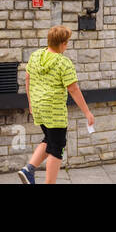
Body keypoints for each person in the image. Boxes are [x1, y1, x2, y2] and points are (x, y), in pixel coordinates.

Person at [18, 25, 94, 185]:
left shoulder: (36, 55)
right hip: (54, 111)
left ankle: (28, 170)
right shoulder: (63, 62)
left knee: (49, 139)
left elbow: (27, 78)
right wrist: (87, 113)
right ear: (62, 44)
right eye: (67, 42)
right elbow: (73, 89)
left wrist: (31, 103)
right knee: (57, 147)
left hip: (39, 107)